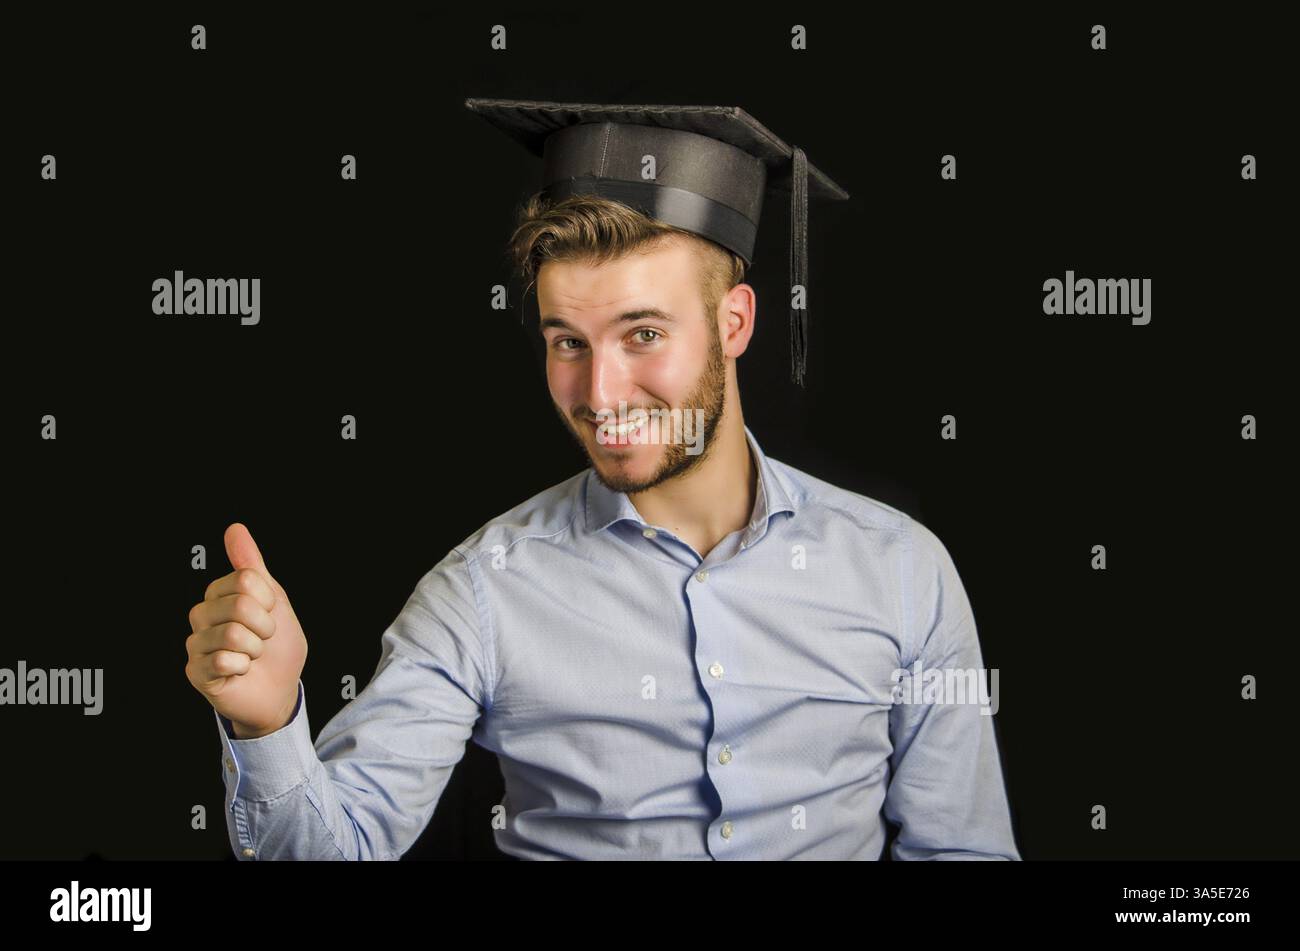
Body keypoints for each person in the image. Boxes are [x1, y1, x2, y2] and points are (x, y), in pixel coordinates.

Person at [184, 99, 1020, 860]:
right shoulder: (483, 592)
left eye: (643, 334)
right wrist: (268, 721)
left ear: (734, 323)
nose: (602, 393)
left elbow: (965, 852)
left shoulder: (902, 571)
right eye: (567, 342)